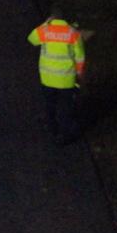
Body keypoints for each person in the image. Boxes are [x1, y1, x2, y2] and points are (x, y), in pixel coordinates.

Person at [28, 12, 87, 144]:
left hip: (48, 78)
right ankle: (64, 136)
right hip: (66, 80)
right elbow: (80, 58)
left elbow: (31, 39)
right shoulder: (73, 33)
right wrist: (80, 76)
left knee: (50, 105)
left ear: (52, 18)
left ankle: (52, 129)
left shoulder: (46, 30)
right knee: (66, 108)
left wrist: (45, 23)